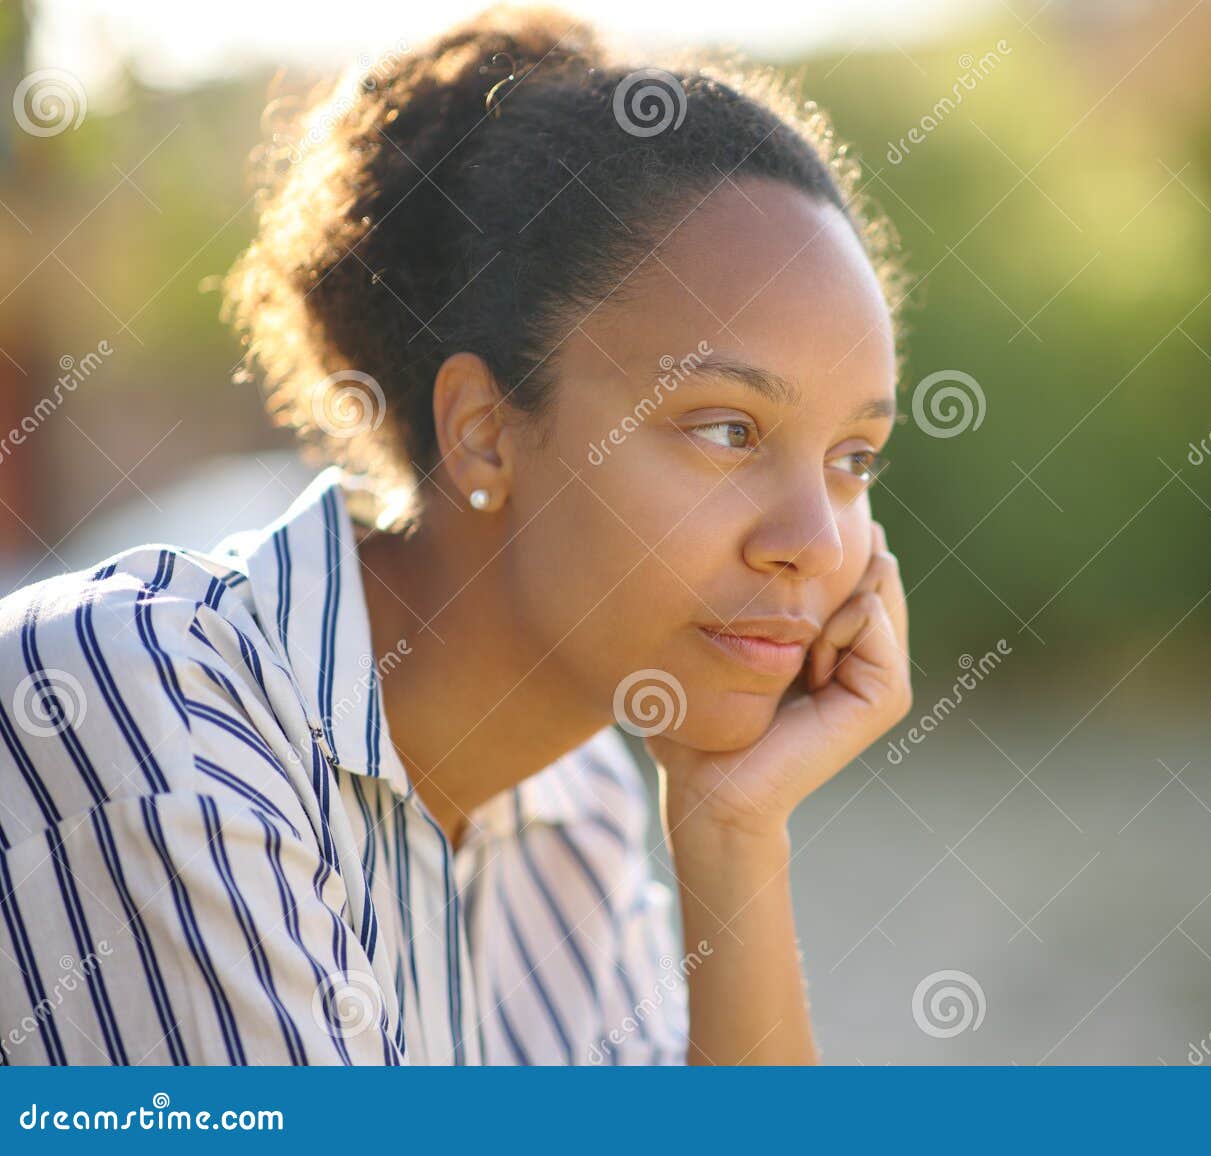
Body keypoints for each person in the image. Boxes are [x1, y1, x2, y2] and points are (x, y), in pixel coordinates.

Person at [0, 4, 911, 1065]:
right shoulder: (139, 711)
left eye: (853, 459)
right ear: (482, 435)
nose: (815, 541)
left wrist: (732, 834)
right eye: (725, 428)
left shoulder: (578, 805)